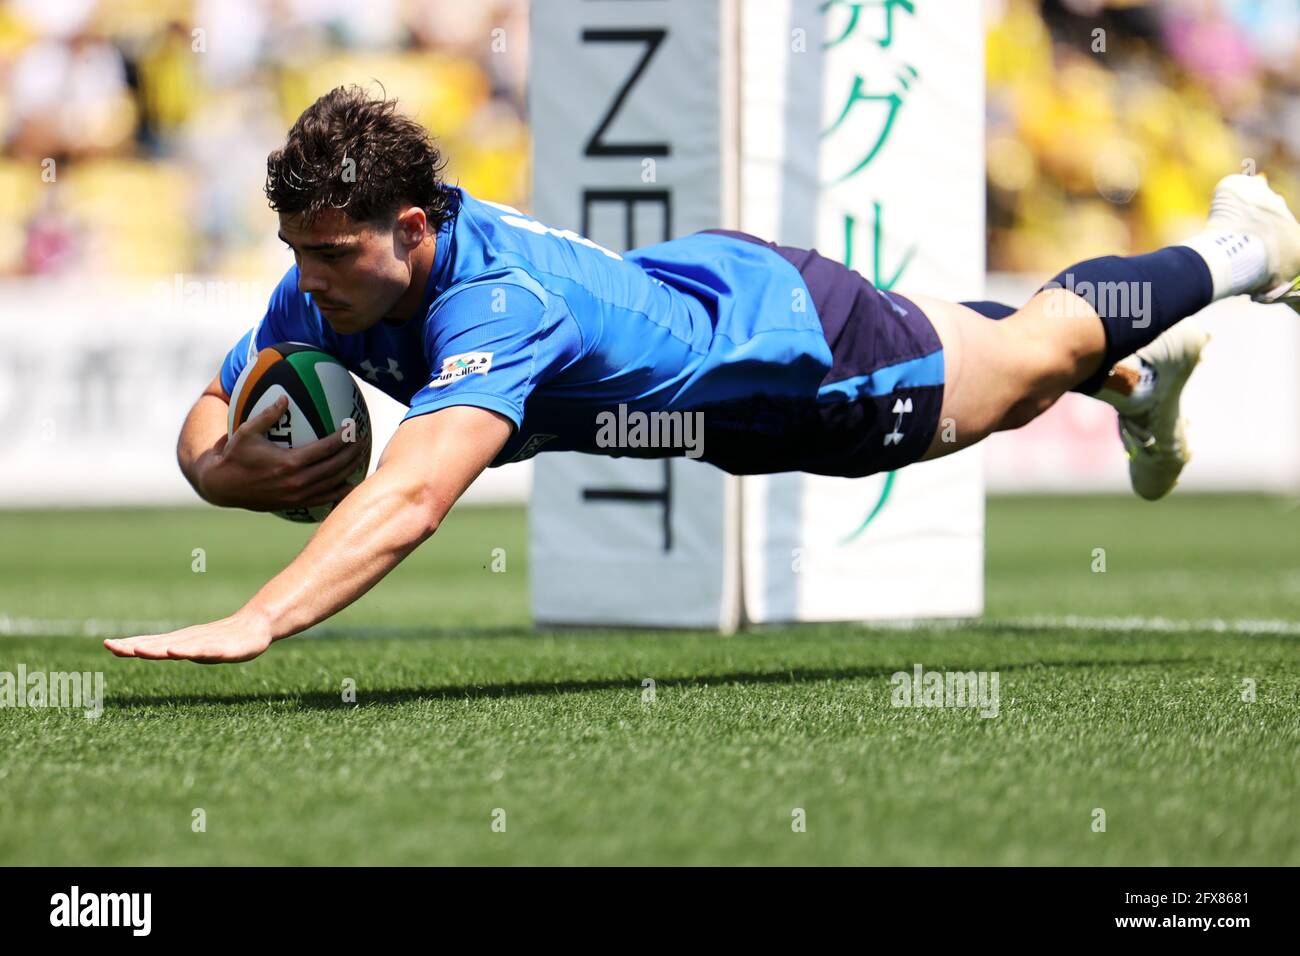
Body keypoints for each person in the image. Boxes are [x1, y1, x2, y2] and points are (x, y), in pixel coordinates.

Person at [104, 86, 1300, 664]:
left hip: (790, 359)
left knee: (1033, 355)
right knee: (1026, 355)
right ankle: (1142, 380)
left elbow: (413, 495)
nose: (305, 281)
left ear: (413, 226)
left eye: (329, 252)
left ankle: (1241, 249)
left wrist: (259, 616)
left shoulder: (495, 307)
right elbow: (218, 401)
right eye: (295, 253)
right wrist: (218, 472)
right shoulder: (327, 280)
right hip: (706, 306)